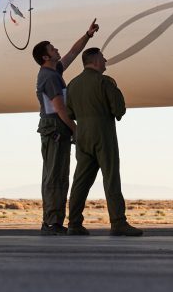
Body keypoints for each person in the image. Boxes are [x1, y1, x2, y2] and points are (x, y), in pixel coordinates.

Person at [64, 48, 142, 236]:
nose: (106, 60)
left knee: (80, 181)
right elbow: (119, 109)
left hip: (82, 134)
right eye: (103, 58)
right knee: (111, 178)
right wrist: (115, 89)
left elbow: (70, 112)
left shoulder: (73, 84)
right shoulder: (104, 82)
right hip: (103, 133)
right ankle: (118, 222)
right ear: (96, 61)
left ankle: (74, 223)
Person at [32, 20, 98, 235]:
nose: (56, 50)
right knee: (55, 176)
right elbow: (60, 108)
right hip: (55, 129)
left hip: (56, 129)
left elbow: (72, 53)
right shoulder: (50, 78)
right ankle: (52, 222)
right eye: (52, 49)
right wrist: (75, 129)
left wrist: (87, 35)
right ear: (45, 57)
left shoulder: (55, 72)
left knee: (59, 174)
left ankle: (54, 221)